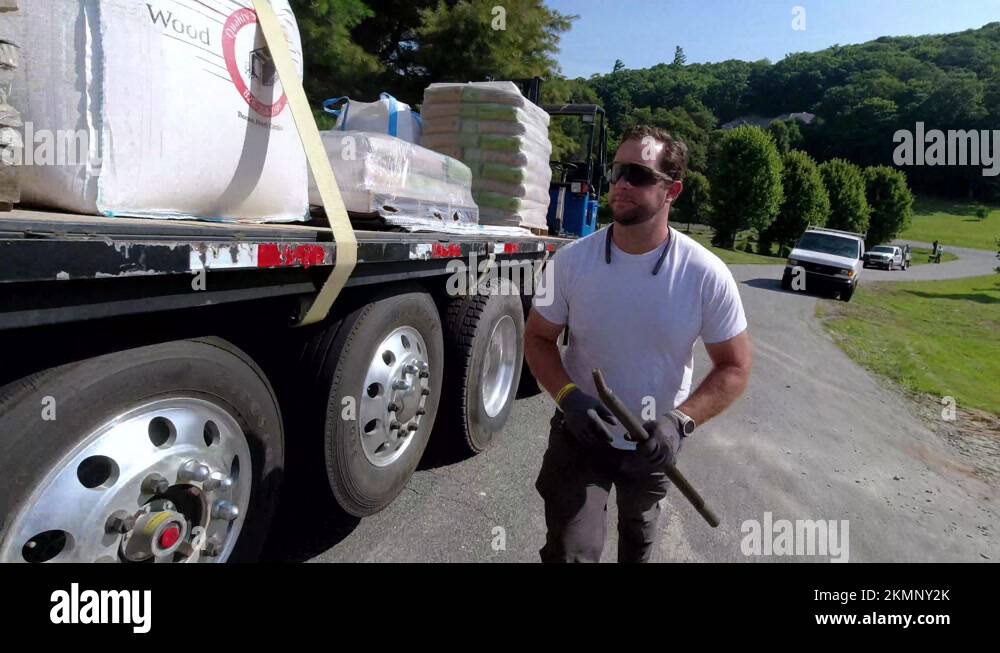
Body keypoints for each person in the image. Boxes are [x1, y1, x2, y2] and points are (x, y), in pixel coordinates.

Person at [524, 125, 752, 563]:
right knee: (570, 553)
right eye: (617, 171)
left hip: (653, 450)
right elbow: (537, 338)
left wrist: (679, 422)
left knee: (638, 548)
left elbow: (734, 367)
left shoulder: (705, 274)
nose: (622, 183)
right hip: (580, 438)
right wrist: (568, 397)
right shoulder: (571, 262)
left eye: (639, 174)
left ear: (673, 190)